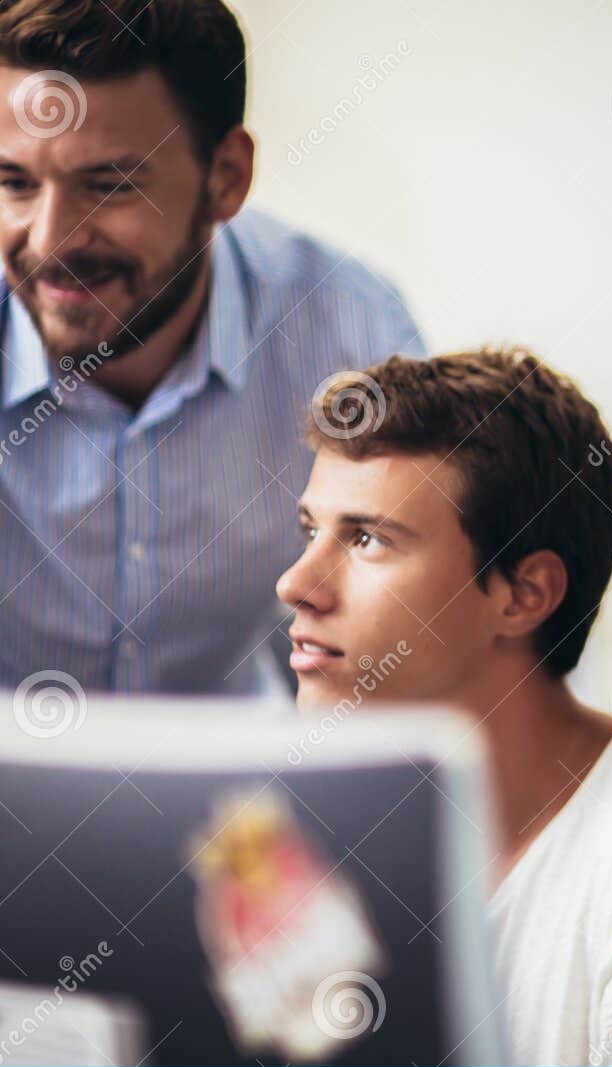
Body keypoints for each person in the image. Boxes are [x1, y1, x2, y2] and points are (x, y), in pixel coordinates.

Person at [275, 349, 612, 1065]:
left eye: (368, 539)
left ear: (524, 594)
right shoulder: (302, 829)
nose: (297, 582)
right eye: (309, 531)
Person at [0, 0, 423, 695]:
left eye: (108, 186)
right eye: (14, 182)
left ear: (226, 177)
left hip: (256, 793)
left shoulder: (352, 329)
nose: (50, 241)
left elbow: (432, 631)